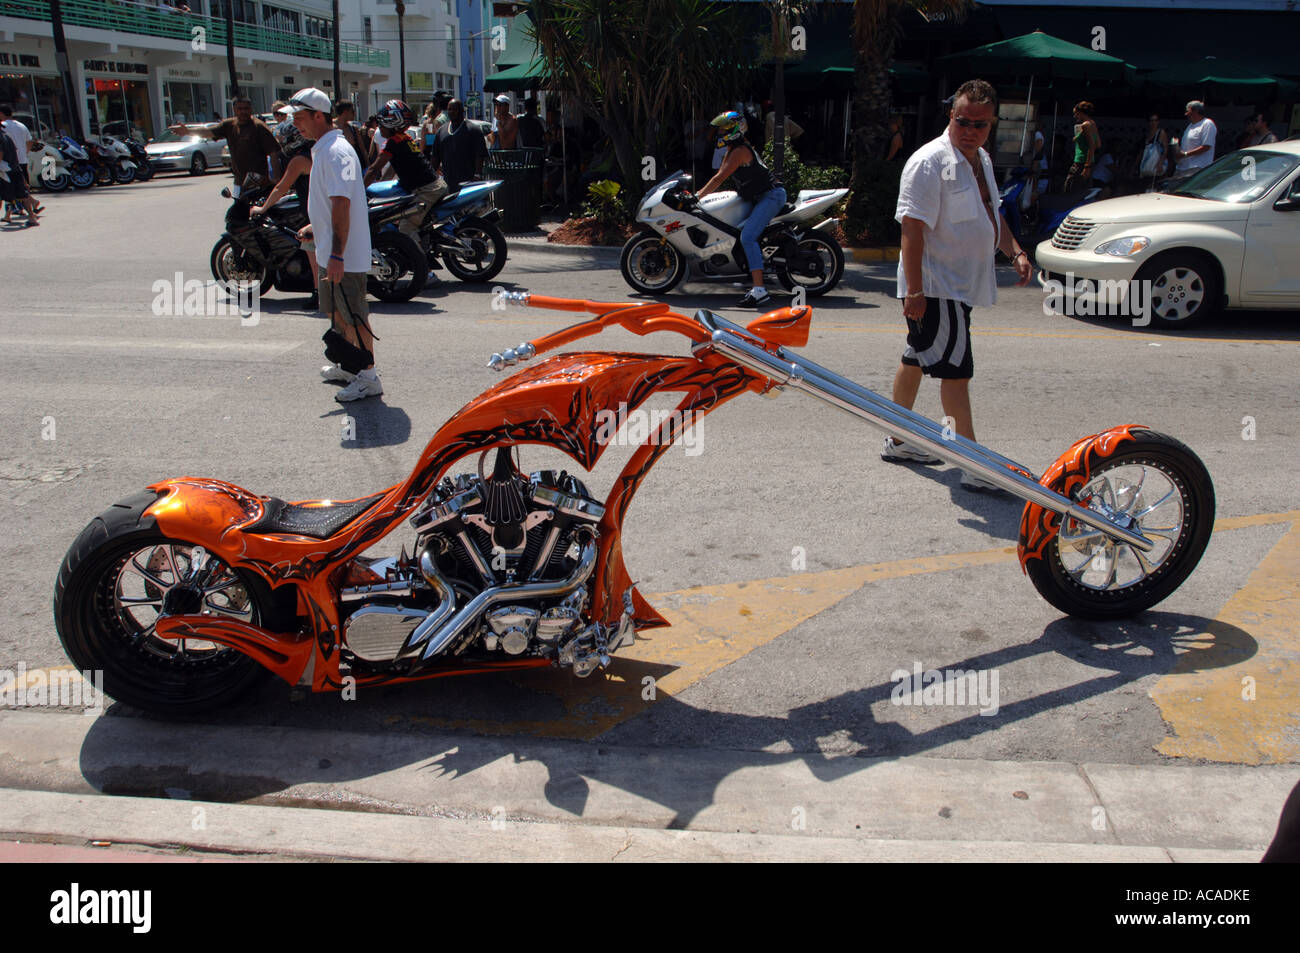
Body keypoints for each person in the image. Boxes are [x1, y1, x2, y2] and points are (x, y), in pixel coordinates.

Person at [885, 79, 1032, 492]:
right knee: (956, 373)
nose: (970, 130)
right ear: (950, 116)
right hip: (936, 287)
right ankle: (973, 463)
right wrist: (914, 293)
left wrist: (1015, 251)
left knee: (916, 356)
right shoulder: (929, 161)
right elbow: (911, 229)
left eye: (980, 124)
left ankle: (898, 440)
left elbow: (991, 213)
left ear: (991, 126)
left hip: (960, 286)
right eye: (963, 121)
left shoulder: (980, 159)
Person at [282, 88, 380, 403]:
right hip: (330, 249)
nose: (296, 124)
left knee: (354, 315)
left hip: (344, 255)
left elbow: (342, 204)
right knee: (337, 314)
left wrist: (337, 253)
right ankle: (348, 366)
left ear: (318, 116)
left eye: (299, 118)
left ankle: (368, 377)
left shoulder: (337, 151)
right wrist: (316, 227)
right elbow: (332, 202)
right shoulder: (324, 149)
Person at [696, 110, 786, 309]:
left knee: (748, 237)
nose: (719, 133)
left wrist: (695, 197)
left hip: (770, 196)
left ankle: (760, 291)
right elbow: (720, 175)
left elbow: (719, 179)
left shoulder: (739, 151)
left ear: (734, 130)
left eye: (722, 129)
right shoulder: (733, 150)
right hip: (760, 197)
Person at [249, 119, 318, 311]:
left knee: (310, 247)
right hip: (325, 206)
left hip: (316, 212)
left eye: (284, 139)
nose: (282, 144)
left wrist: (262, 209)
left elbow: (281, 186)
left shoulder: (299, 160)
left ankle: (319, 292)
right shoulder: (315, 152)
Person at [364, 99, 447, 241]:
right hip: (433, 186)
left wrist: (359, 189)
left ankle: (419, 261)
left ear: (392, 123)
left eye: (381, 123)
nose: (379, 127)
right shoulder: (405, 139)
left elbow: (374, 169)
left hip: (427, 191)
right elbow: (391, 169)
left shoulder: (393, 143)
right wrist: (377, 187)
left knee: (405, 229)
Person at [171, 96, 279, 196]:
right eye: (239, 109)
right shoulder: (229, 125)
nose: (243, 112)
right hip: (239, 181)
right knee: (237, 213)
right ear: (234, 110)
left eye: (246, 108)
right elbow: (209, 132)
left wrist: (276, 179)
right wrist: (187, 131)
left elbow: (273, 153)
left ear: (251, 109)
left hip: (259, 181)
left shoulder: (258, 127)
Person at [430, 98, 486, 192]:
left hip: (468, 183)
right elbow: (435, 156)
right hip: (448, 183)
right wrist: (431, 176)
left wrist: (477, 175)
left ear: (461, 110)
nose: (452, 112)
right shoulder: (441, 131)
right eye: (450, 109)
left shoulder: (473, 130)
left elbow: (479, 155)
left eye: (455, 109)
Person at [0, 119, 38, 226]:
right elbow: (15, 150)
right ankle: (31, 216)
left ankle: (10, 215)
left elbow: (0, 153)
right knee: (22, 194)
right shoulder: (7, 135)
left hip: (5, 170)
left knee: (8, 194)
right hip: (15, 167)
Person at [1063, 101, 1100, 193]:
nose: (1075, 116)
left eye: (1075, 114)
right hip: (1090, 162)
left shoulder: (1085, 125)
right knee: (1084, 191)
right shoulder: (1092, 123)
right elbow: (1098, 144)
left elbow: (1091, 146)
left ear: (1080, 113)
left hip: (1081, 162)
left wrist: (1086, 166)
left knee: (1070, 188)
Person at [1175, 101, 1216, 175]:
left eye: (1188, 111)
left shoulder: (1207, 124)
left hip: (1197, 169)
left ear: (1196, 111)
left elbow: (1206, 146)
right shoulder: (1190, 126)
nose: (1186, 114)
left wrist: (1185, 154)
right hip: (1183, 168)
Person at [333, 99, 370, 167]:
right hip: (336, 166)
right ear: (345, 112)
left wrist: (368, 167)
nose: (354, 114)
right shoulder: (330, 128)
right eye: (352, 111)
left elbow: (363, 150)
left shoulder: (353, 129)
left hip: (352, 167)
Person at [1138, 114, 1169, 192]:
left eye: (1155, 120)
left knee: (1155, 186)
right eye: (1151, 120)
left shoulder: (1161, 133)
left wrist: (1160, 163)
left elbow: (1165, 149)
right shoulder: (1147, 134)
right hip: (1146, 166)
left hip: (1156, 164)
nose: (1153, 123)